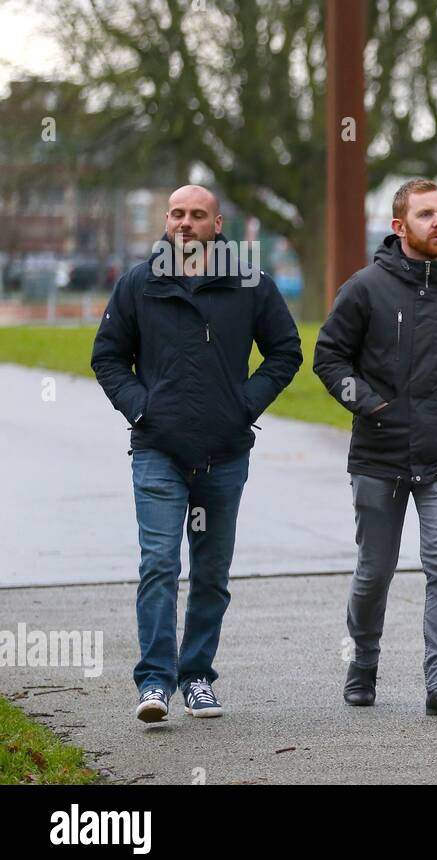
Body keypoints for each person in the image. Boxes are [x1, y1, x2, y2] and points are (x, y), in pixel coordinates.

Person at [91, 184, 302, 723]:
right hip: (157, 449)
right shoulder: (139, 284)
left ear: (217, 223)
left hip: (225, 453)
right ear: (166, 219)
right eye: (177, 214)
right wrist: (142, 410)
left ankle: (198, 677)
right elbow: (108, 357)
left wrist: (243, 406)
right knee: (160, 564)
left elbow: (286, 351)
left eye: (197, 215)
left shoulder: (250, 283)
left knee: (210, 571)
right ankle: (155, 682)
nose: (185, 223)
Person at [313, 179, 437, 718]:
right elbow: (329, 359)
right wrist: (371, 406)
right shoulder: (365, 287)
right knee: (375, 569)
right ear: (399, 227)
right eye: (426, 215)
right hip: (378, 455)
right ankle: (364, 663)